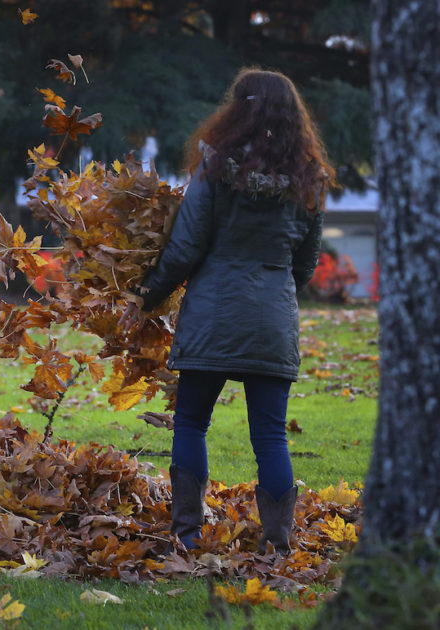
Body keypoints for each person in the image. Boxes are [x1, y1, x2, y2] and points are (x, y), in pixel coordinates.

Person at [122, 68, 335, 554]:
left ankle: (187, 537)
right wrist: (274, 293)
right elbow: (305, 264)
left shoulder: (215, 167)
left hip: (213, 312)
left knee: (193, 422)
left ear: (237, 109)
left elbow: (185, 248)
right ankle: (278, 547)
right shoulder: (310, 179)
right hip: (272, 318)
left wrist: (146, 295)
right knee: (270, 434)